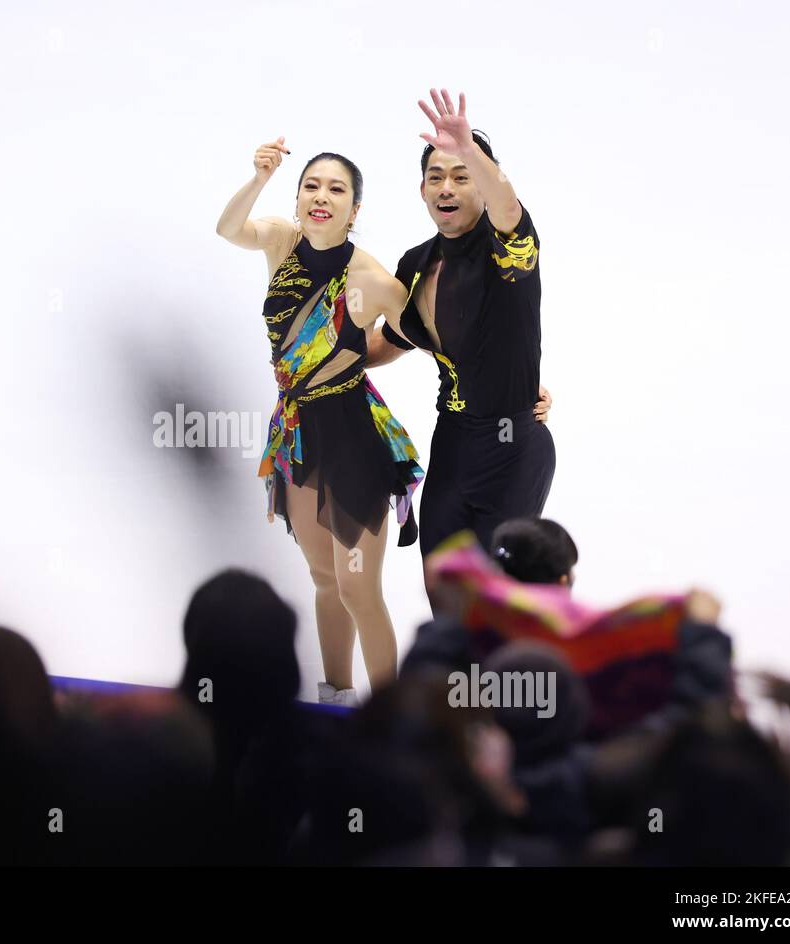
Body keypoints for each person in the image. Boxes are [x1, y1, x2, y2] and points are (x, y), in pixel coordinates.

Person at [216, 139, 425, 702]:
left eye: (337, 189)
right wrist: (258, 177)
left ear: (356, 209)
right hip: (295, 432)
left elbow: (426, 335)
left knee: (359, 589)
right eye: (312, 186)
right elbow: (228, 229)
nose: (322, 197)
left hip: (354, 437)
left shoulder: (373, 278)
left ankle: (390, 720)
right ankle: (335, 696)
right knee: (324, 579)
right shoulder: (282, 243)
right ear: (299, 197)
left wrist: (527, 385)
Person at [367, 90, 556, 605]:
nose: (446, 187)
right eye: (436, 177)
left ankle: (511, 685)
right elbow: (394, 340)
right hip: (451, 446)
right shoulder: (416, 262)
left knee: (495, 603)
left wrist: (471, 149)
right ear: (421, 189)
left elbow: (508, 207)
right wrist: (317, 364)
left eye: (462, 175)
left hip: (514, 448)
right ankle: (455, 689)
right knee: (445, 597)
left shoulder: (508, 251)